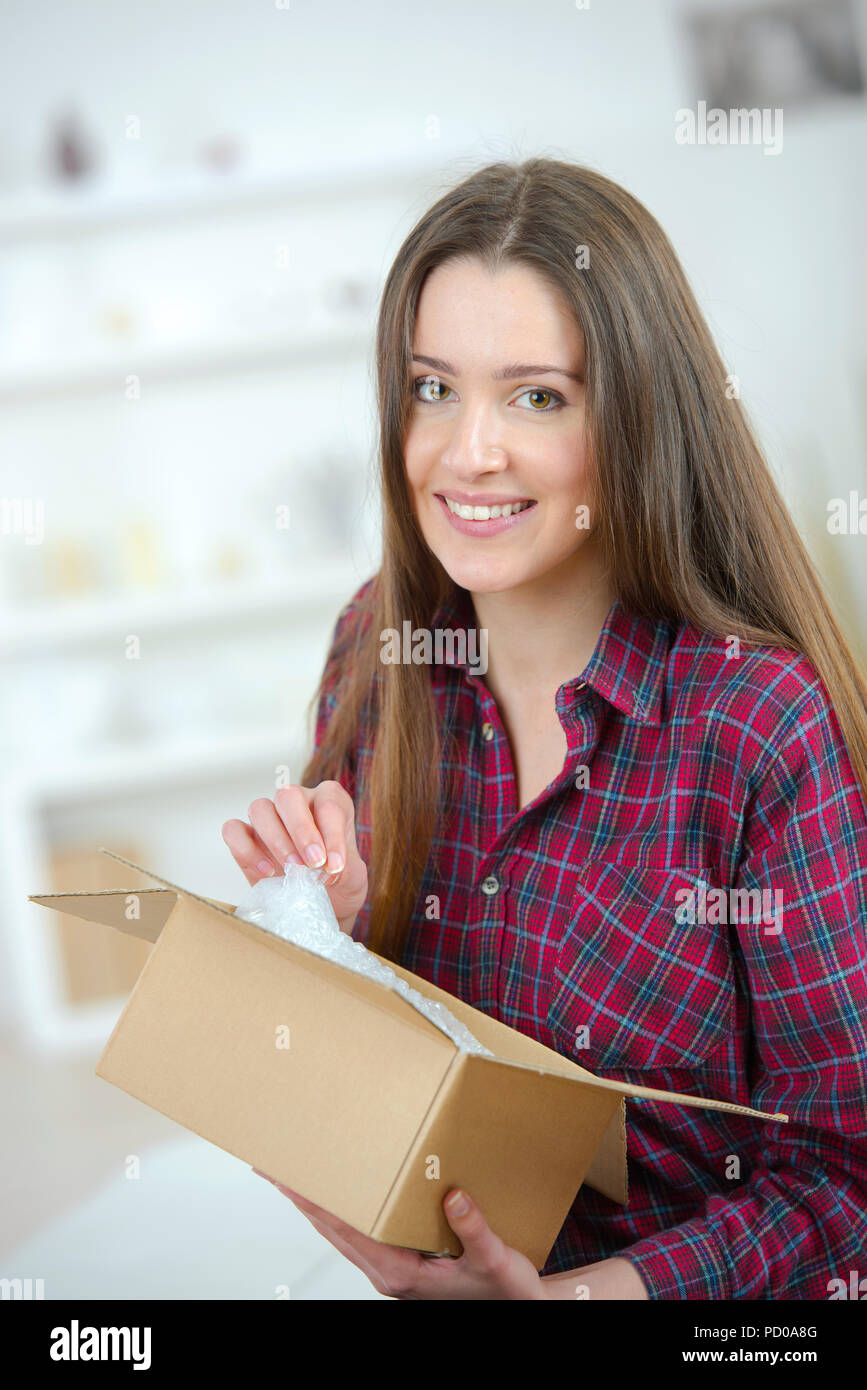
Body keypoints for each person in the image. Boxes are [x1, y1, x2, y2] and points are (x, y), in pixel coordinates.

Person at [223, 157, 867, 1300]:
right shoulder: (377, 652)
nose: (469, 452)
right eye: (433, 389)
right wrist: (318, 945)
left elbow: (841, 1176)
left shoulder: (754, 723)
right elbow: (370, 1094)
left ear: (637, 418)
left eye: (537, 396)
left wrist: (580, 1300)